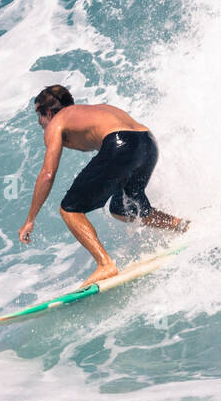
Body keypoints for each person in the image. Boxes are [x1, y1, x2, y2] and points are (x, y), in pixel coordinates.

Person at [18, 85, 189, 289]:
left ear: (47, 112)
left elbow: (47, 174)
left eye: (38, 115)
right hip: (147, 143)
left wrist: (30, 220)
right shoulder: (90, 111)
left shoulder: (57, 122)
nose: (39, 123)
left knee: (70, 209)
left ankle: (105, 264)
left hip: (121, 144)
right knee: (123, 208)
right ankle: (181, 225)